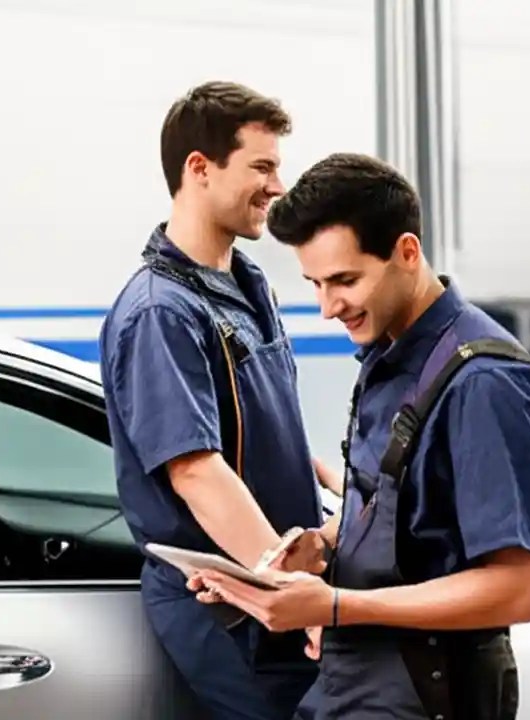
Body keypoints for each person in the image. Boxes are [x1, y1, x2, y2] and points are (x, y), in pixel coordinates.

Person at [190, 153, 530, 720]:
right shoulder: (388, 353)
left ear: (407, 253)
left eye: (345, 280)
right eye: (315, 283)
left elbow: (518, 589)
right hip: (354, 687)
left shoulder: (484, 384)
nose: (327, 307)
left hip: (427, 696)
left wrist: (338, 605)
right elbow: (405, 513)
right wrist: (315, 549)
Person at [98, 81, 329, 720]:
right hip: (229, 608)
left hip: (277, 593)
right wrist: (284, 581)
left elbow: (264, 429)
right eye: (262, 166)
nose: (277, 186)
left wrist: (348, 499)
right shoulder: (159, 312)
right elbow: (195, 468)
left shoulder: (251, 284)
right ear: (199, 169)